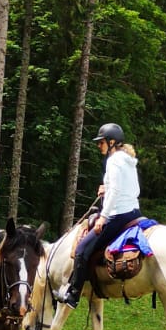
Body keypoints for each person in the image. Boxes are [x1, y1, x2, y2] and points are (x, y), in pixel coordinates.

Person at [56, 123, 142, 310]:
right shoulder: (127, 160)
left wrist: (103, 217)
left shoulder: (113, 161)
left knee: (81, 249)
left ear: (112, 142)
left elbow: (116, 191)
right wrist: (107, 189)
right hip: (134, 212)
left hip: (118, 214)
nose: (99, 146)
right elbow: (133, 189)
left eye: (101, 142)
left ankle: (73, 294)